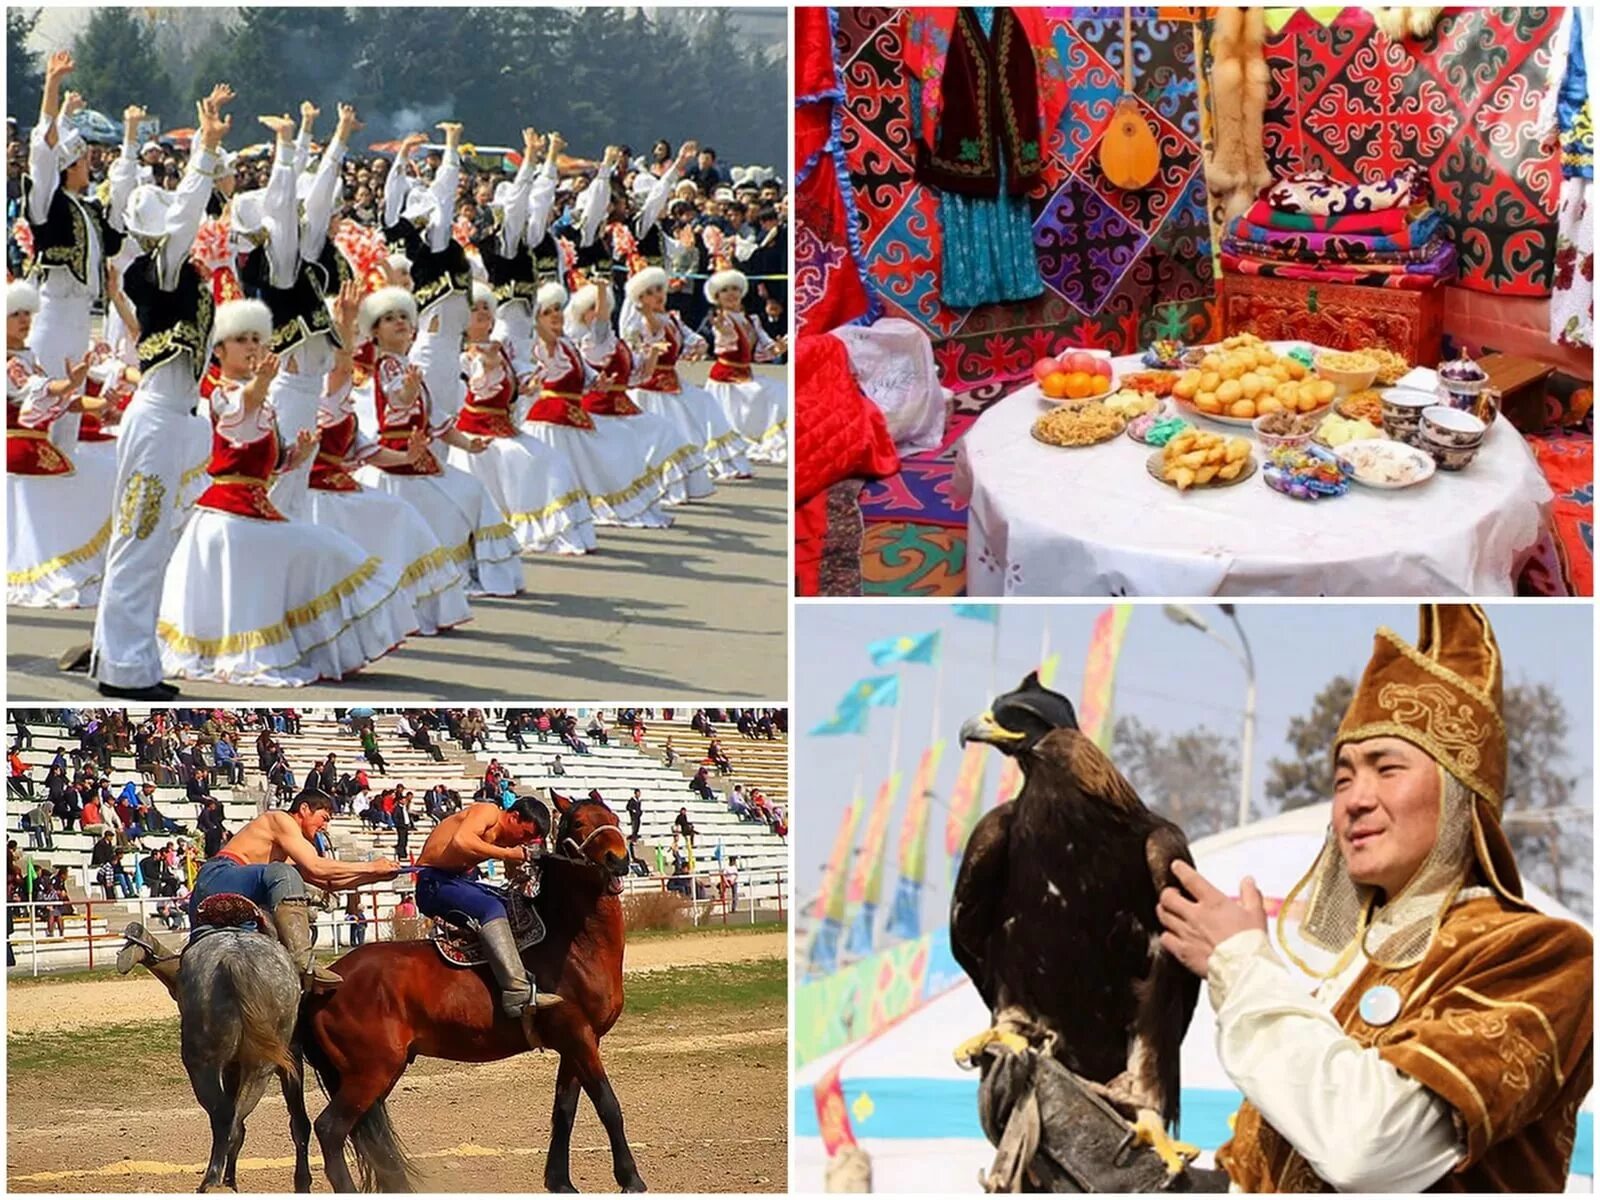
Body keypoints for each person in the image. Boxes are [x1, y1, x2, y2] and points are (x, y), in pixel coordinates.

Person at [1154, 606, 1592, 1192]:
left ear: (1462, 795)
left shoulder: (1540, 955)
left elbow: (1367, 1148)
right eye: (1342, 778)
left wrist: (1242, 964)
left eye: (1388, 768)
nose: (1355, 799)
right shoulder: (1341, 978)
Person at [154, 287, 415, 685]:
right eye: (241, 340)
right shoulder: (224, 395)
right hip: (228, 522)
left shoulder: (264, 401)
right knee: (329, 551)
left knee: (331, 551)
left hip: (252, 518)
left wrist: (295, 454)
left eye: (257, 339)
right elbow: (246, 405)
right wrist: (261, 384)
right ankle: (307, 646)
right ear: (219, 351)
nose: (252, 346)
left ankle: (323, 646)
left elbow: (267, 462)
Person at [90, 83, 232, 700]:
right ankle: (124, 668)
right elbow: (186, 217)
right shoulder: (159, 267)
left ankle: (126, 659)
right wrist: (203, 149)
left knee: (150, 543)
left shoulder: (169, 272)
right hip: (157, 419)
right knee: (140, 543)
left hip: (175, 417)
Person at [118, 790, 399, 999]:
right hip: (223, 876)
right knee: (283, 873)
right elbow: (314, 866)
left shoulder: (285, 851)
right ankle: (303, 961)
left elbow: (326, 881)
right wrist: (372, 865)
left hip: (217, 888)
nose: (325, 826)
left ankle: (149, 948)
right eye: (323, 817)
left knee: (195, 980)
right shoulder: (280, 820)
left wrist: (374, 876)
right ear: (303, 809)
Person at [413, 795, 562, 1025]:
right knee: (491, 908)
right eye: (525, 834)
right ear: (513, 817)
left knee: (510, 903)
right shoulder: (488, 812)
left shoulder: (504, 840)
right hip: (433, 882)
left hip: (454, 881)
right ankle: (517, 993)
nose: (524, 841)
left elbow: (511, 873)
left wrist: (518, 870)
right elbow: (461, 841)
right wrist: (507, 854)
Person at [701, 268, 787, 464]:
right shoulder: (722, 322)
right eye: (725, 290)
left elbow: (766, 345)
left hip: (745, 376)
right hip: (727, 382)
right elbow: (725, 340)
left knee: (780, 391)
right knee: (773, 393)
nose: (731, 294)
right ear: (717, 297)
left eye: (734, 289)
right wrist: (722, 330)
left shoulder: (752, 320)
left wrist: (778, 347)